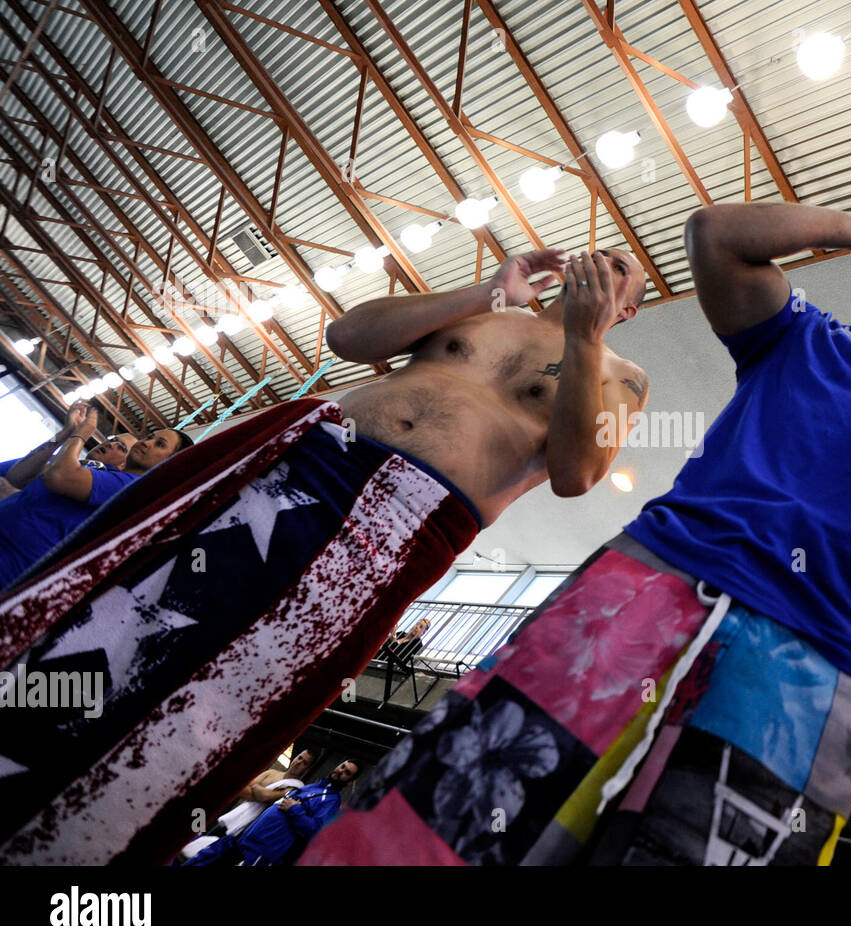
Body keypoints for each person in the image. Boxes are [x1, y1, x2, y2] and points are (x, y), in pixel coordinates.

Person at [300, 200, 851, 867]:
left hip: (819, 658)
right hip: (655, 579)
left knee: (698, 851)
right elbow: (713, 235)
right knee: (452, 811)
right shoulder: (798, 335)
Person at [0, 248, 648, 864]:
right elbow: (350, 337)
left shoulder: (624, 375)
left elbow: (580, 469)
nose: (607, 263)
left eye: (624, 269)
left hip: (405, 514)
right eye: (603, 254)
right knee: (132, 595)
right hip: (308, 451)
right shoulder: (489, 312)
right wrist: (492, 289)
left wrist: (587, 340)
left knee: (230, 670)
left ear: (631, 308)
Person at [0, 406, 190, 590]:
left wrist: (82, 434)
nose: (146, 442)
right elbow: (16, 477)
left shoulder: (131, 487)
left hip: (10, 563)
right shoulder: (96, 471)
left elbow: (58, 476)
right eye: (150, 436)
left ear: (170, 463)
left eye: (160, 444)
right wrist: (68, 432)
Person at [183, 759, 359, 866]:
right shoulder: (312, 788)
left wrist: (295, 809)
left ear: (350, 782)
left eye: (346, 772)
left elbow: (315, 832)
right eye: (342, 766)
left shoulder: (331, 801)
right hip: (245, 839)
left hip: (262, 851)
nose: (340, 771)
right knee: (204, 858)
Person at [176, 746, 317, 861]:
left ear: (307, 769)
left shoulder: (295, 788)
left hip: (244, 829)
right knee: (191, 846)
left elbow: (265, 796)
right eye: (299, 758)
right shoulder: (272, 773)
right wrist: (258, 793)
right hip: (232, 817)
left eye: (304, 763)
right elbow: (242, 790)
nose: (298, 763)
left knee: (205, 858)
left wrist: (257, 790)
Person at [0, 403, 134, 500]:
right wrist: (67, 432)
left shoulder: (97, 488)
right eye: (112, 439)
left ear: (123, 465)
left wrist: (15, 497)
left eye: (121, 447)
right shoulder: (55, 460)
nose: (111, 444)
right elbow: (14, 477)